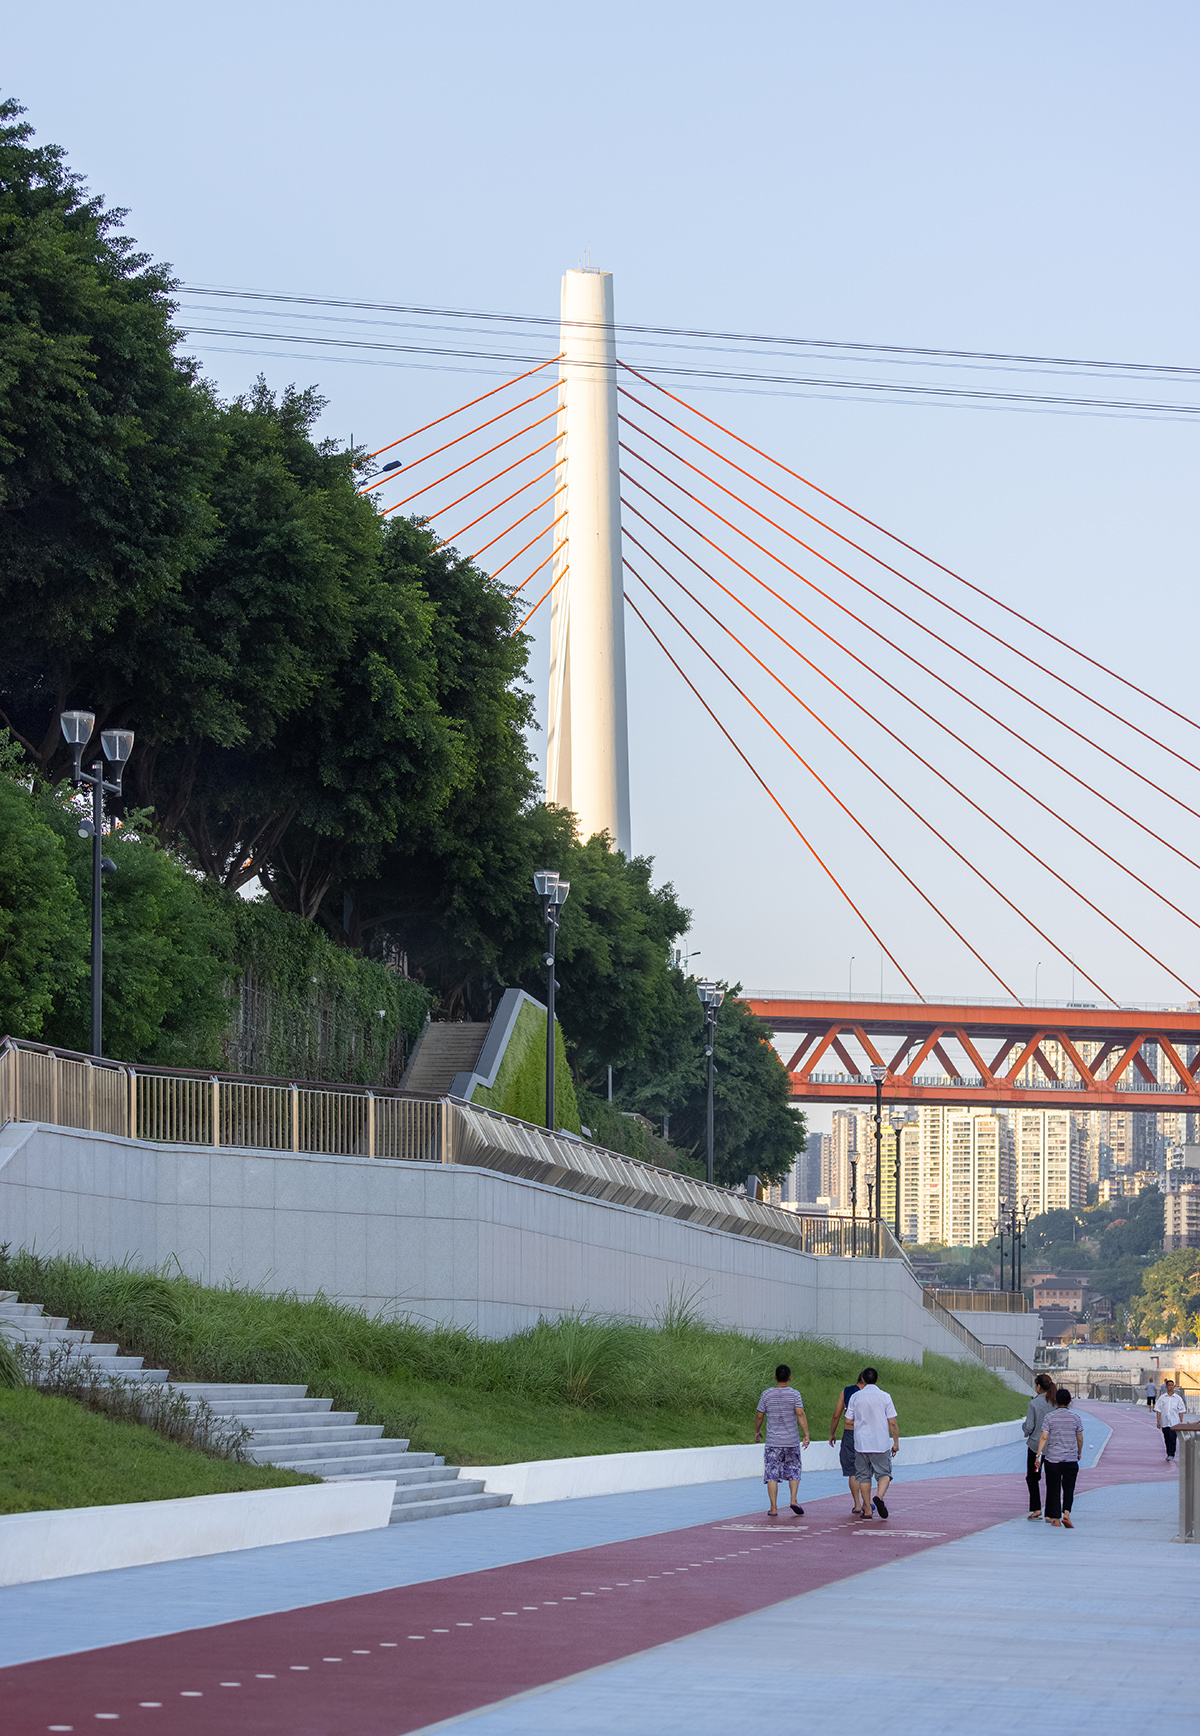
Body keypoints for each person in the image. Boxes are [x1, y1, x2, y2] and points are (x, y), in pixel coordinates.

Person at [754, 1363, 810, 1517]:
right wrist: (806, 1434)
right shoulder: (795, 1394)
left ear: (775, 1377)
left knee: (772, 1474)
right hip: (791, 1441)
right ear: (790, 1378)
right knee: (793, 1470)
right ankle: (793, 1500)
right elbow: (800, 1413)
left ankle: (773, 1508)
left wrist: (757, 1431)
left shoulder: (766, 1394)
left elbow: (759, 1415)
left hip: (773, 1442)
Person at [845, 1367, 899, 1518]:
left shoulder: (855, 1397)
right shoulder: (885, 1396)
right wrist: (896, 1443)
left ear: (862, 1379)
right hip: (880, 1443)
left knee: (863, 1476)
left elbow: (848, 1419)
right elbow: (893, 1422)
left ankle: (867, 1509)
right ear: (877, 1379)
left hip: (861, 1443)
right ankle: (879, 1496)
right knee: (884, 1474)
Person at [1035, 1387, 1084, 1527]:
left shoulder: (1049, 1417)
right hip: (1070, 1459)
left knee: (1053, 1488)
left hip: (1052, 1459)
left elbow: (1044, 1437)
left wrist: (1038, 1456)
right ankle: (1066, 1514)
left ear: (1055, 1401)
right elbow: (1080, 1439)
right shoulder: (1076, 1418)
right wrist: (1079, 1453)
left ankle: (1056, 1519)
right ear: (1069, 1401)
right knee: (1069, 1487)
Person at [1022, 1372, 1058, 1521]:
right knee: (1052, 1480)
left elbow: (1029, 1426)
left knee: (1033, 1477)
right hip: (1054, 1447)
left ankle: (1037, 1509)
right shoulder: (1055, 1402)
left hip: (1036, 1447)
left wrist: (1025, 1430)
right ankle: (1051, 1512)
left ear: (1038, 1387)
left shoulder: (1034, 1404)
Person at [829, 1374, 866, 1516]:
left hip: (850, 1434)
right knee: (865, 1470)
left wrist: (832, 1433)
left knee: (852, 1470)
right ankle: (866, 1503)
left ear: (857, 1380)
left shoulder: (847, 1391)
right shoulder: (872, 1394)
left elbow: (836, 1415)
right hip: (865, 1435)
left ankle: (857, 1504)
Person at [1155, 1378, 1187, 1462]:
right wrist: (1158, 1421)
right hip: (1165, 1421)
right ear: (1166, 1387)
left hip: (1174, 1422)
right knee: (1167, 1438)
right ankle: (1168, 1452)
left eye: (1172, 1385)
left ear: (1174, 1386)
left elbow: (1181, 1411)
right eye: (1169, 1385)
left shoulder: (1178, 1398)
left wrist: (1181, 1422)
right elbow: (1158, 1410)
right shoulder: (1162, 1398)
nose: (1170, 1387)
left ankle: (1171, 1454)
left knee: (1173, 1438)